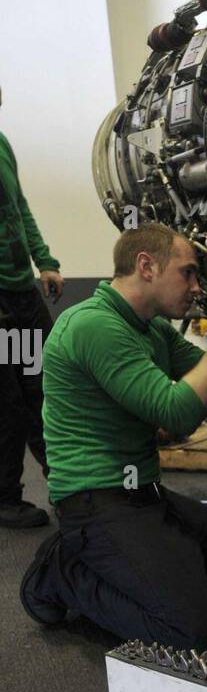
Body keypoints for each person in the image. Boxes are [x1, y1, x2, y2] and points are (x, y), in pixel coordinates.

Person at [20, 222, 207, 652]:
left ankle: (157, 566)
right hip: (95, 502)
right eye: (188, 273)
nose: (196, 287)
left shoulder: (151, 329)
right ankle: (62, 573)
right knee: (192, 635)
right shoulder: (94, 326)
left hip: (145, 494)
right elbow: (177, 412)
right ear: (146, 266)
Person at [0, 86, 64, 527]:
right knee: (8, 404)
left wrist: (45, 260)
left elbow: (18, 208)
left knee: (44, 389)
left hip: (21, 291)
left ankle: (65, 484)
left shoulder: (2, 143)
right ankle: (5, 498)